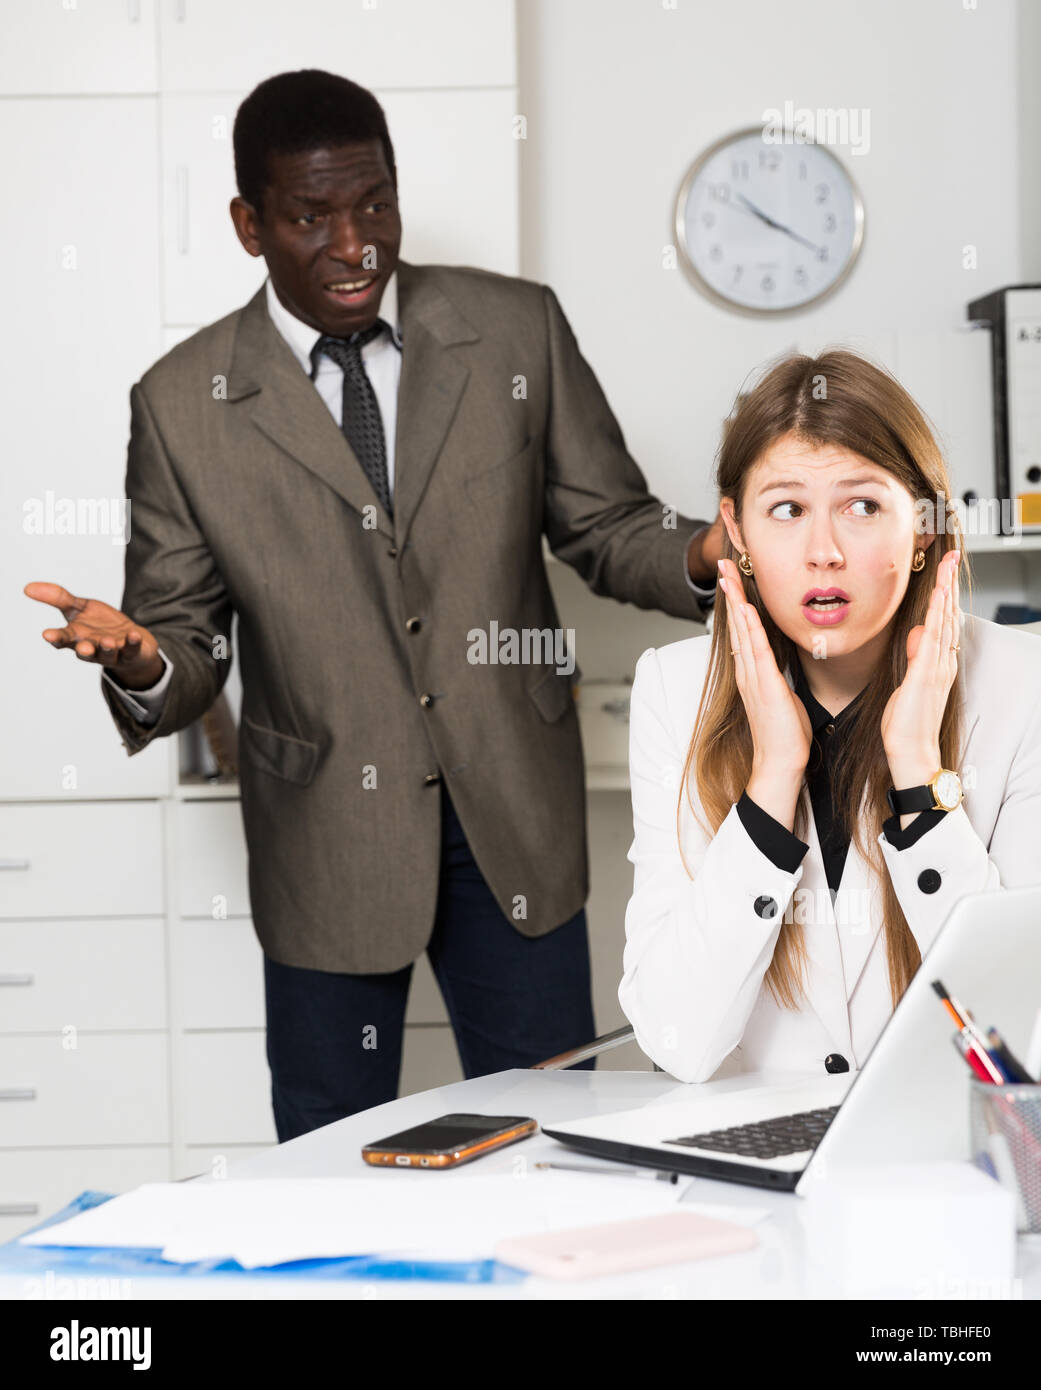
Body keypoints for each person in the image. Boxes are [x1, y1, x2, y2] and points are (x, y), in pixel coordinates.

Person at [24, 69, 724, 1141]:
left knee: (552, 1130)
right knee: (326, 1151)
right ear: (249, 225)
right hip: (327, 837)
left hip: (513, 820)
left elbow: (607, 525)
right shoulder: (181, 403)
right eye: (313, 217)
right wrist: (139, 661)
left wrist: (719, 555)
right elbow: (184, 636)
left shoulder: (514, 330)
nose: (356, 245)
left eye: (376, 206)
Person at [618, 349, 1041, 1085]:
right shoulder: (673, 689)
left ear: (922, 530)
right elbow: (675, 1040)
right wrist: (771, 779)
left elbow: (1020, 1045)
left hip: (944, 1155)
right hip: (744, 1157)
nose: (823, 553)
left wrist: (917, 775)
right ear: (737, 534)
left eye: (863, 506)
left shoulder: (1021, 683)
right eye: (786, 509)